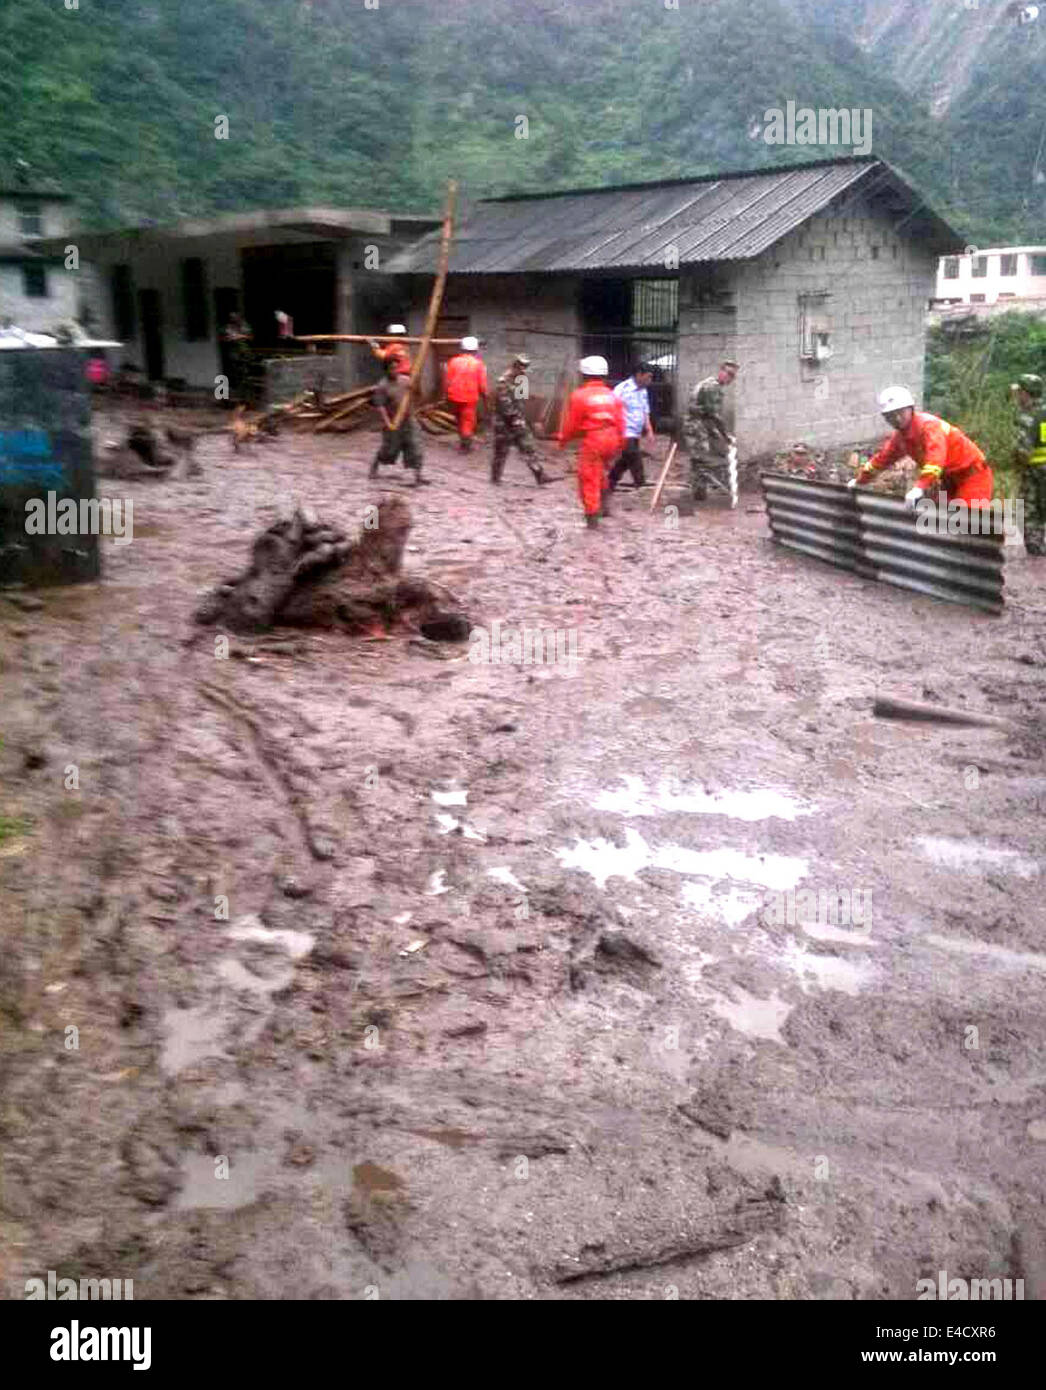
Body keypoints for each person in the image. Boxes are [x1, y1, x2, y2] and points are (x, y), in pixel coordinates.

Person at [849, 386, 993, 512]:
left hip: (972, 475)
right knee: (942, 521)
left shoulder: (929, 426)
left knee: (970, 522)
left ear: (911, 409)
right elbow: (880, 461)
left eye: (900, 412)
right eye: (891, 416)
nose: (897, 419)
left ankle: (998, 540)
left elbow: (936, 460)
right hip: (949, 479)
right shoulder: (900, 437)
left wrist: (920, 487)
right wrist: (859, 481)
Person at [558, 355, 626, 528]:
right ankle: (605, 506)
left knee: (588, 478)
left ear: (584, 375)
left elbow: (572, 424)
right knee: (601, 471)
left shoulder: (580, 396)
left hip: (595, 440)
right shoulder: (612, 396)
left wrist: (563, 440)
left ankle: (592, 519)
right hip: (612, 438)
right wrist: (621, 445)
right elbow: (621, 422)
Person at [683, 359, 739, 501]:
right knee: (701, 459)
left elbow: (709, 415)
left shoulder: (710, 384)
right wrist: (725, 435)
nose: (730, 378)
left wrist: (716, 433)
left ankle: (700, 492)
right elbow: (714, 415)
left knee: (700, 459)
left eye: (733, 376)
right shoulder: (712, 387)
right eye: (729, 373)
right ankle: (700, 493)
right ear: (721, 371)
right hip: (696, 425)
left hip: (699, 424)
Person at [491, 353, 547, 485]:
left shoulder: (522, 379)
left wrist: (523, 417)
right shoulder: (504, 380)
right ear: (515, 366)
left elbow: (521, 400)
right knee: (501, 451)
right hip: (504, 422)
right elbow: (504, 404)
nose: (523, 371)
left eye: (525, 368)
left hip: (518, 421)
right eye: (521, 368)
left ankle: (540, 475)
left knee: (528, 447)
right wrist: (515, 418)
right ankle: (495, 478)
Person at [369, 359, 423, 485]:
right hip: (393, 421)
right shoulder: (382, 386)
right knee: (389, 449)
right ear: (386, 370)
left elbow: (418, 394)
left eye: (396, 368)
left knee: (415, 446)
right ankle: (374, 467)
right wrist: (388, 423)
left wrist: (414, 387)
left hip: (408, 419)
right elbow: (380, 407)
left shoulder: (405, 380)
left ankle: (418, 476)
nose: (395, 371)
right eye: (392, 368)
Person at [1012, 373, 1046, 556]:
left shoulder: (1028, 417)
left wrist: (1017, 466)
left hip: (1034, 470)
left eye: (1020, 393)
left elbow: (1023, 451)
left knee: (1029, 509)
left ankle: (1036, 549)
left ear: (1027, 394)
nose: (1018, 396)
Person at [607, 361, 655, 491]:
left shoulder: (643, 391)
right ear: (639, 374)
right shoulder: (622, 389)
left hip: (636, 431)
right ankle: (640, 481)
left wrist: (649, 429)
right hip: (624, 430)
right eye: (648, 376)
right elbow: (610, 407)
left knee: (626, 458)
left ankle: (610, 481)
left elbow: (645, 411)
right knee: (633, 454)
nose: (650, 380)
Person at [444, 336, 488, 452]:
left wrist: (446, 395)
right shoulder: (478, 364)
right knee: (468, 421)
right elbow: (482, 385)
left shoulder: (453, 361)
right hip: (469, 398)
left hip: (453, 396)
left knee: (459, 419)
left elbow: (447, 381)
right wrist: (485, 397)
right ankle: (466, 446)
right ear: (475, 350)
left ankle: (462, 440)